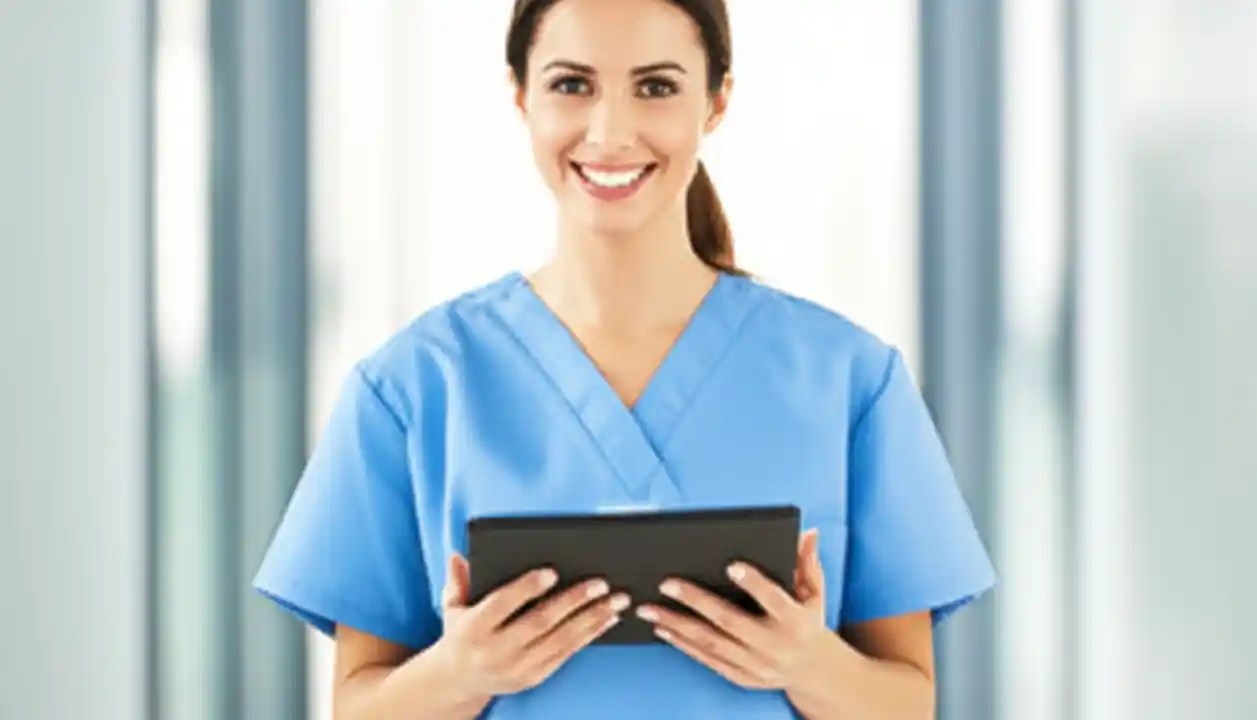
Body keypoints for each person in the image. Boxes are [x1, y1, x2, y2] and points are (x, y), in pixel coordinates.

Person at [252, 0, 996, 717]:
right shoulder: (412, 389)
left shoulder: (849, 382)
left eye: (656, 87)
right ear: (520, 97)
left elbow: (909, 703)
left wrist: (807, 667)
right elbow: (357, 706)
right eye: (572, 84)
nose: (610, 131)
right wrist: (461, 674)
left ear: (717, 102)